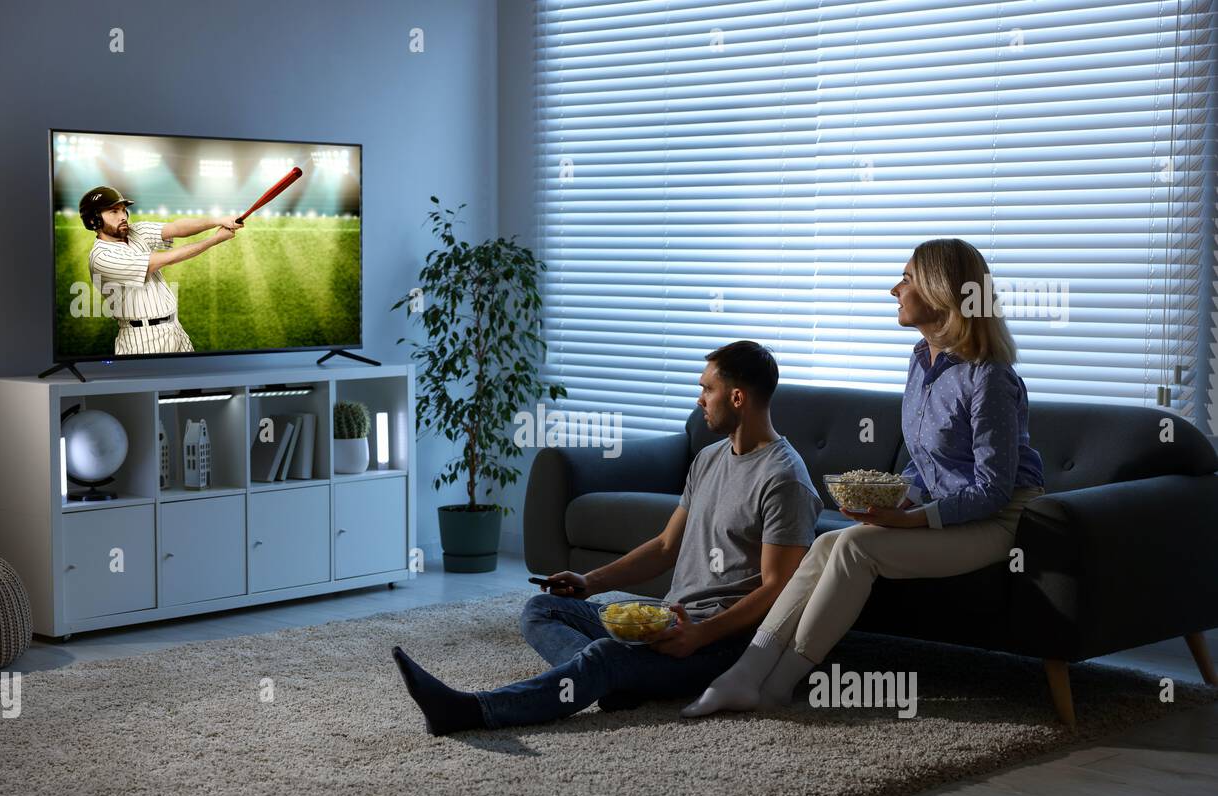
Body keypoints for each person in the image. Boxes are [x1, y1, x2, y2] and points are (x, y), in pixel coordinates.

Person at [681, 238, 1046, 717]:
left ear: (939, 291)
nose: (894, 289)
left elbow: (993, 489)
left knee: (855, 547)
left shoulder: (989, 377)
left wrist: (913, 522)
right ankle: (746, 674)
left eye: (907, 278)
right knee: (827, 543)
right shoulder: (922, 360)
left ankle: (776, 686)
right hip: (952, 513)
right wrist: (900, 500)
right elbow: (927, 462)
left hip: (1002, 521)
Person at [392, 340, 823, 735]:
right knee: (543, 608)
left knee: (604, 658)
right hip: (670, 620)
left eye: (706, 389)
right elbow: (665, 547)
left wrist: (702, 635)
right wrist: (590, 582)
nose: (699, 399)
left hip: (721, 647)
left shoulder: (784, 479)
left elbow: (777, 589)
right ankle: (623, 680)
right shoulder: (710, 458)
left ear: (737, 397)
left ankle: (472, 711)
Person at [80, 185, 242, 355]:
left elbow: (177, 228)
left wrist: (219, 220)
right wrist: (215, 239)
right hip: (143, 340)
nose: (123, 216)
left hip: (175, 329)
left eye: (123, 210)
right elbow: (170, 258)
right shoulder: (102, 258)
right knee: (156, 382)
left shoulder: (135, 232)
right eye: (114, 212)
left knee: (193, 381)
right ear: (93, 220)